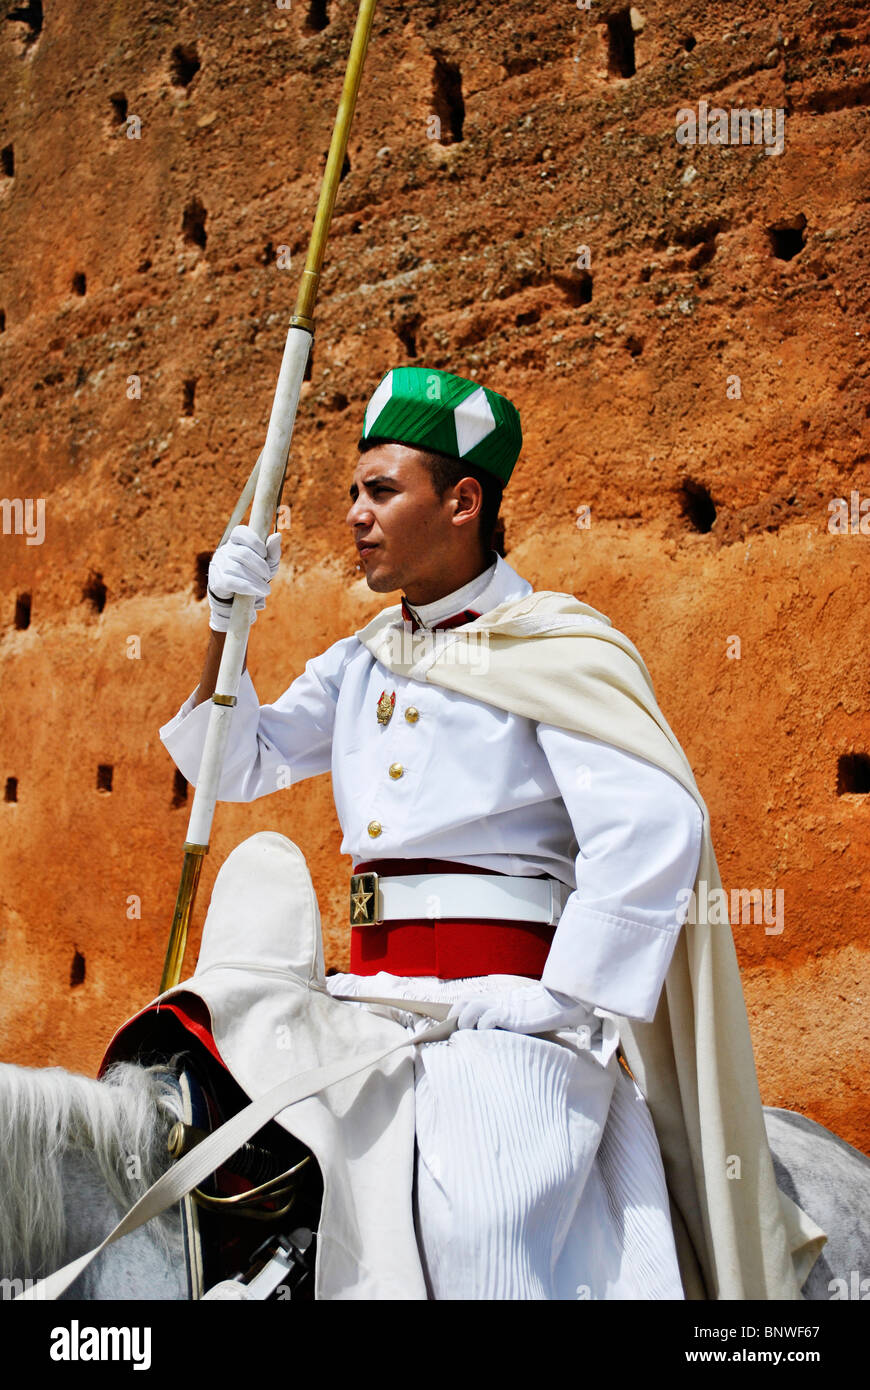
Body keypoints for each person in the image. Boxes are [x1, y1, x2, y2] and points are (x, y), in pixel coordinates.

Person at [159, 366, 820, 1300]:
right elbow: (233, 764)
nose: (354, 513)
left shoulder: (554, 644)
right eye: (353, 491)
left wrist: (563, 998)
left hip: (507, 1011)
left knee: (481, 1230)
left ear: (463, 501)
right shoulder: (363, 659)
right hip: (366, 1000)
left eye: (381, 490)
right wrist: (226, 627)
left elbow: (653, 825)